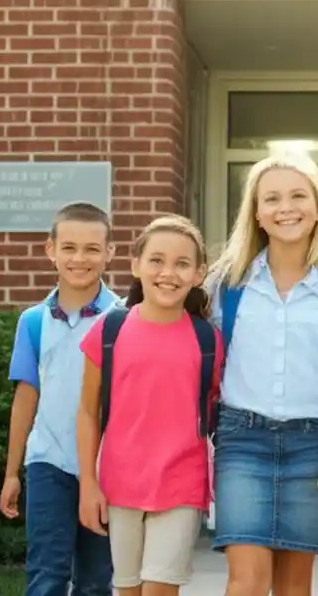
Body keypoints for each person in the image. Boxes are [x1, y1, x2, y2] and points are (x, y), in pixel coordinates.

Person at [206, 150, 318, 596]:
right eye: (272, 199)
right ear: (256, 213)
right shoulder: (226, 282)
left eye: (298, 196)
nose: (286, 208)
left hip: (312, 443)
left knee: (295, 588)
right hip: (242, 439)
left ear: (317, 209)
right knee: (246, 584)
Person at [76, 215, 221, 596]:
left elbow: (212, 407)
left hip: (181, 482)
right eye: (156, 260)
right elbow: (88, 412)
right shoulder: (109, 331)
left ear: (199, 273)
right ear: (135, 265)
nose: (168, 273)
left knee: (159, 590)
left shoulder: (208, 340)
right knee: (128, 590)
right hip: (119, 483)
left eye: (182, 263)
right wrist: (87, 484)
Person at [1, 201, 118, 596]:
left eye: (91, 248)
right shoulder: (32, 321)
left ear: (109, 253)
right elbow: (25, 397)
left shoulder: (123, 318)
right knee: (46, 576)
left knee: (96, 580)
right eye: (68, 247)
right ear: (50, 250)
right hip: (47, 463)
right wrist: (12, 472)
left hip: (107, 469)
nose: (79, 258)